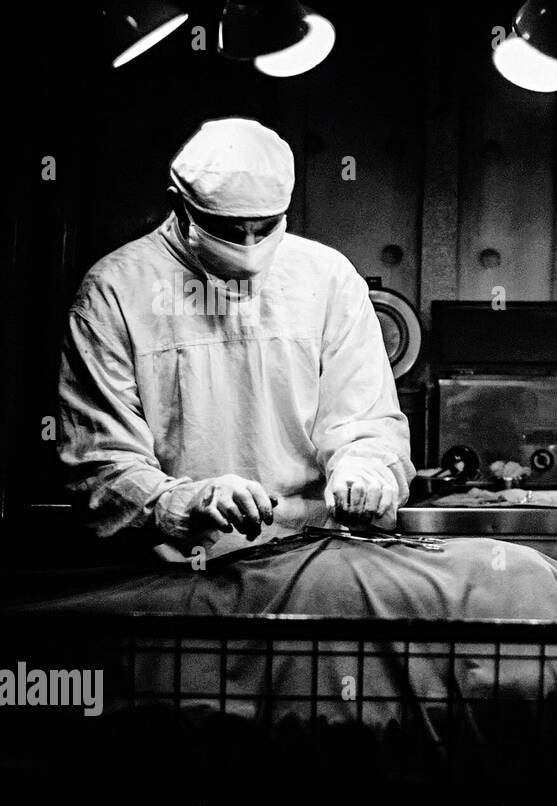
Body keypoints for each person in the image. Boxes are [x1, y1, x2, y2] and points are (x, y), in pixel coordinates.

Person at [58, 117, 414, 560]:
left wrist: (364, 468)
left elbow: (367, 421)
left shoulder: (327, 278)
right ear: (179, 204)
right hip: (174, 569)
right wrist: (187, 503)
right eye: (227, 230)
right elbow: (103, 467)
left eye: (265, 227)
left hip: (312, 556)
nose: (248, 247)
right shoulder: (115, 291)